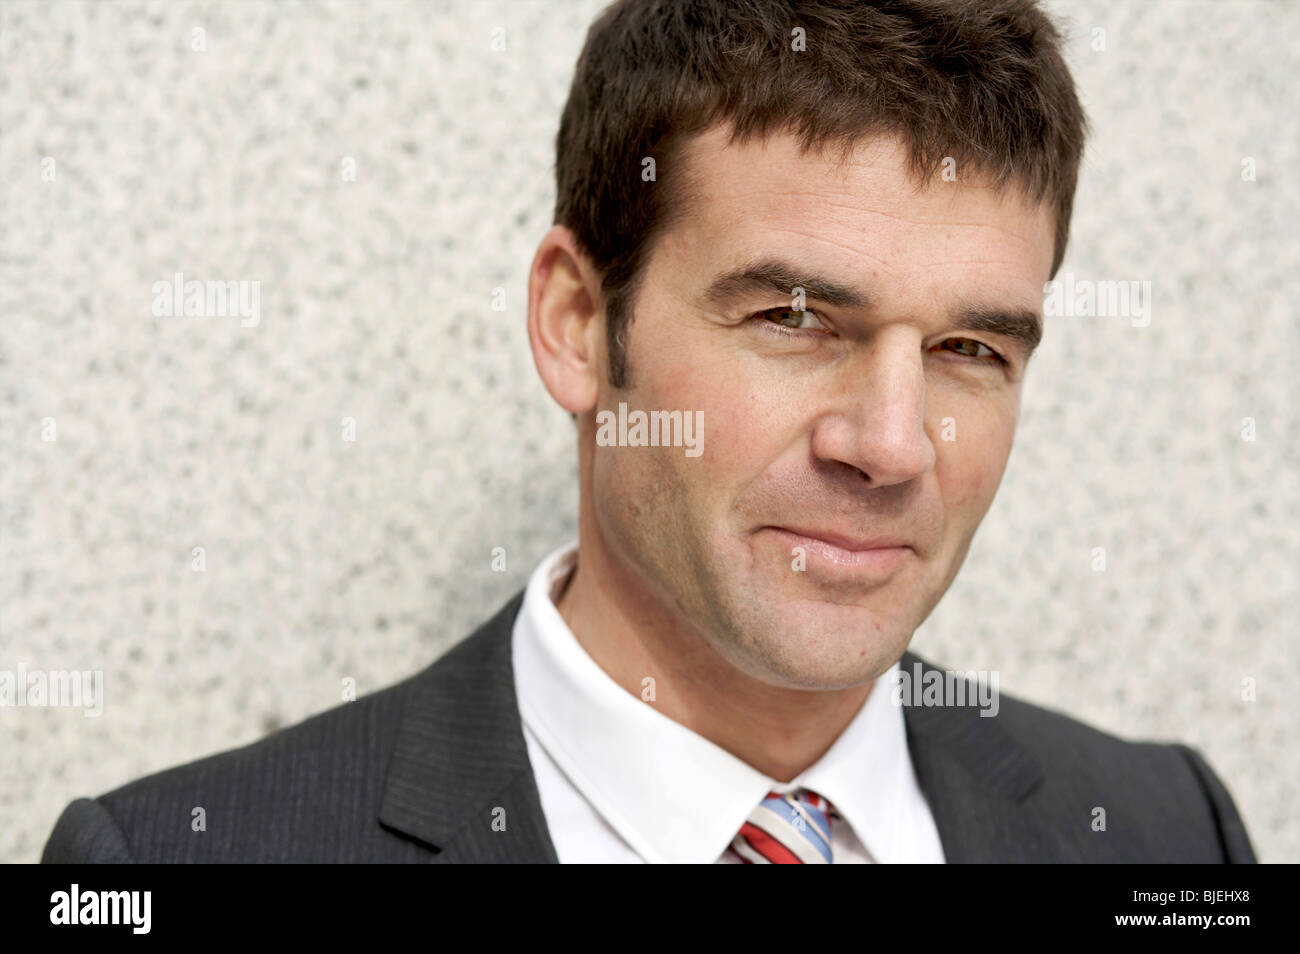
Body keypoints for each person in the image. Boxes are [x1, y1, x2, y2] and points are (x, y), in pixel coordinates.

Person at [43, 0, 1256, 864]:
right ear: (577, 325)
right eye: (793, 320)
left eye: (971, 350)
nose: (891, 446)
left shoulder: (1165, 835)